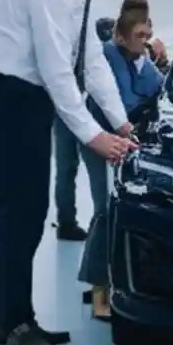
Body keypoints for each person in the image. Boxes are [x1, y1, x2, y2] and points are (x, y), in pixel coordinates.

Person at [0, 0, 152, 345]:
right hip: (1, 92)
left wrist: (121, 123)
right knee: (17, 211)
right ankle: (15, 327)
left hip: (24, 96)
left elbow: (89, 60)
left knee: (27, 212)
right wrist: (93, 136)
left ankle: (14, 320)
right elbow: (55, 69)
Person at [78, 0, 165, 321]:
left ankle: (107, 281)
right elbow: (127, 100)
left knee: (116, 211)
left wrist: (158, 63)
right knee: (104, 210)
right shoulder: (110, 55)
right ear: (121, 36)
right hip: (98, 139)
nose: (144, 42)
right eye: (139, 37)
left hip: (124, 141)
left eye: (148, 35)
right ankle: (100, 293)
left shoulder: (140, 60)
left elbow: (162, 91)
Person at [54, 17, 120, 242]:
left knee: (65, 171)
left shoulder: (66, 48)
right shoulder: (105, 57)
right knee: (97, 173)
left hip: (62, 113)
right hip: (86, 115)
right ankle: (100, 225)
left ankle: (67, 222)